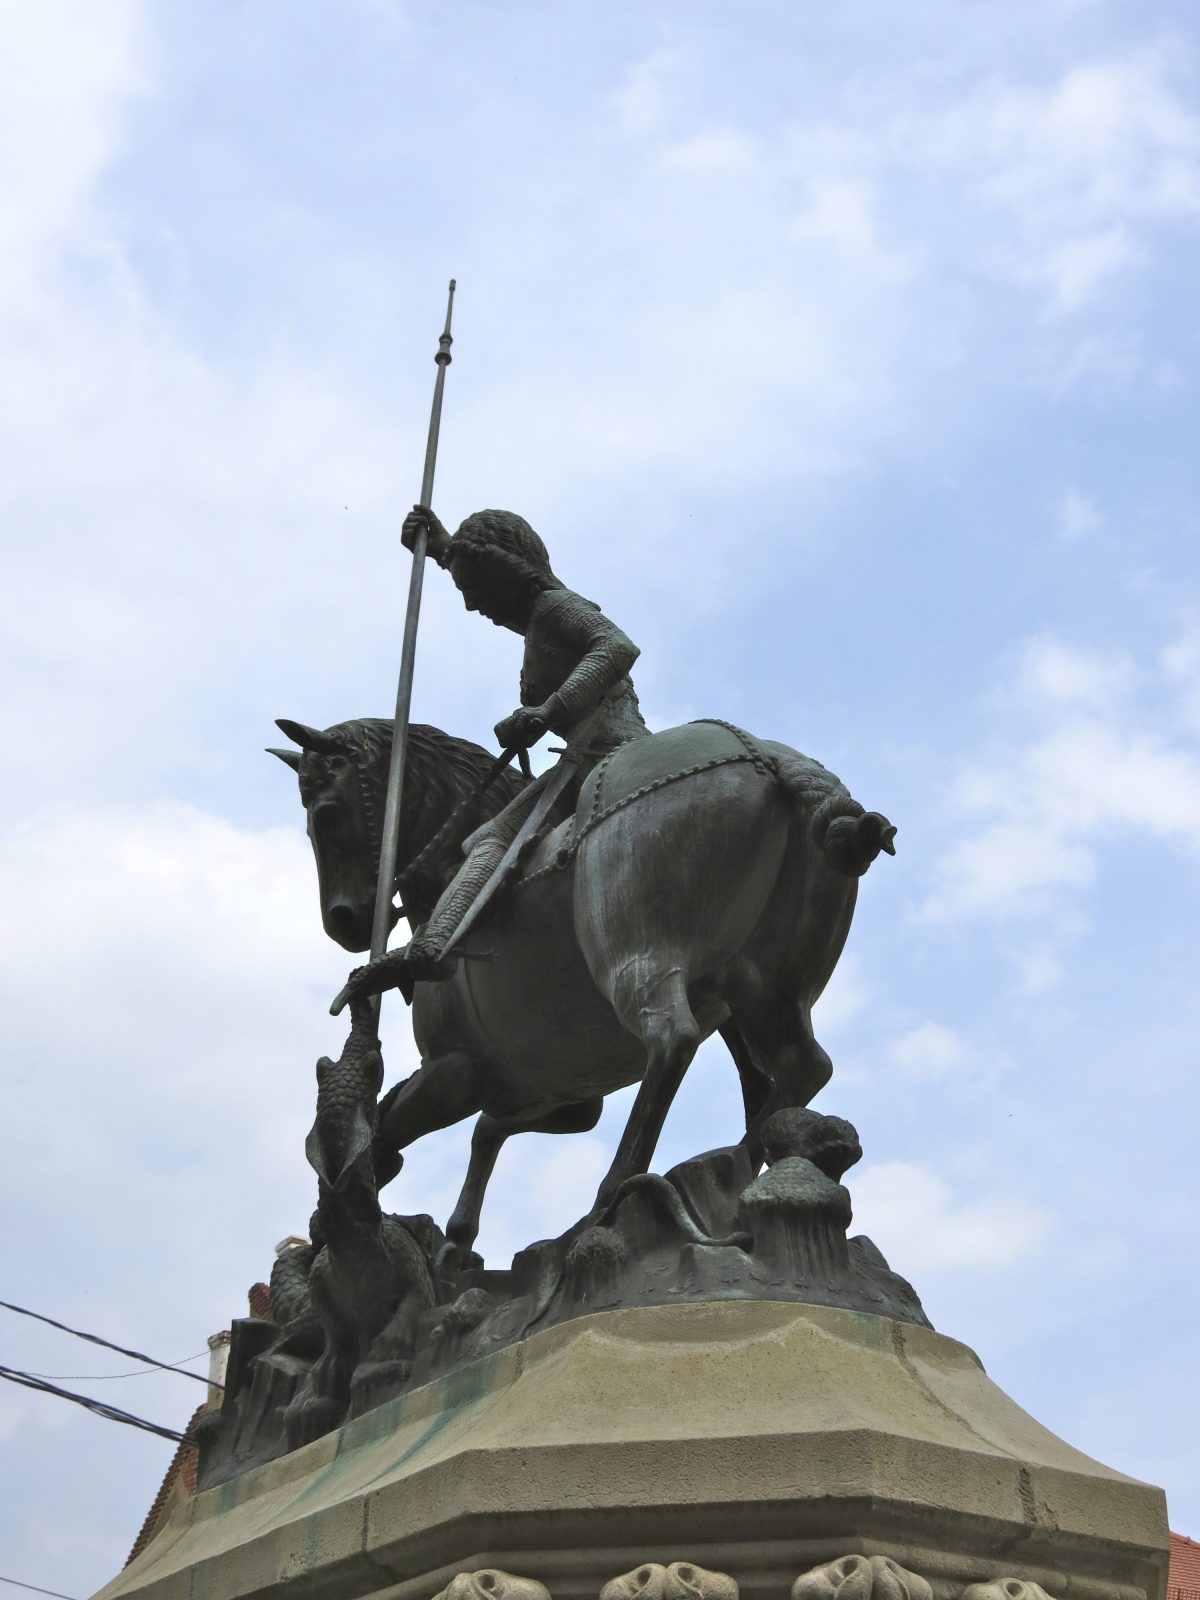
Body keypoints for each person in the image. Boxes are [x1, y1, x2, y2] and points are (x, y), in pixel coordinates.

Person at [334, 505, 649, 1009]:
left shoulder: (554, 607)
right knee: (492, 833)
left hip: (606, 757)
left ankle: (434, 947)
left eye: (472, 587)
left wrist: (548, 711)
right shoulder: (539, 621)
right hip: (583, 761)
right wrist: (441, 550)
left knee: (493, 836)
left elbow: (616, 646)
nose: (470, 604)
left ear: (502, 571)